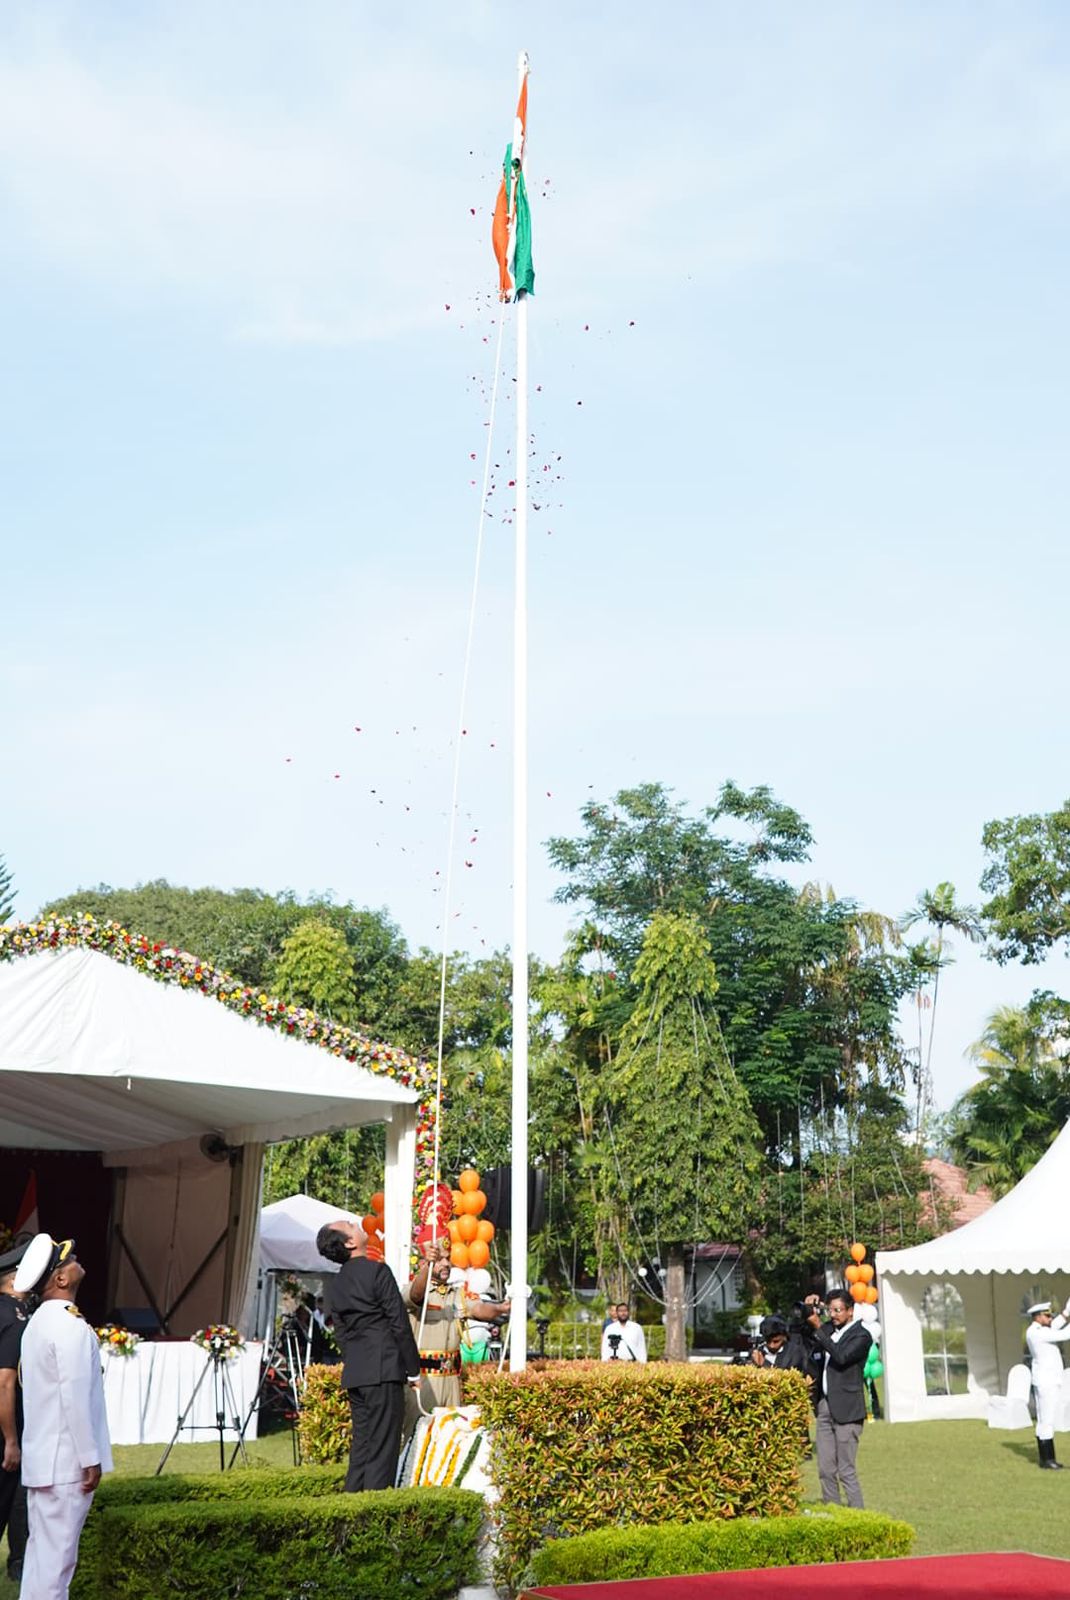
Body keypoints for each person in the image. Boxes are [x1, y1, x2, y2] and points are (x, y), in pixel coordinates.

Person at [13, 1234, 112, 1600]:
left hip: (45, 1460)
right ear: (61, 1280)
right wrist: (90, 1458)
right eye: (67, 1260)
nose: (76, 1260)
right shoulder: (69, 1326)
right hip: (65, 1464)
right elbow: (74, 1398)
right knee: (56, 1571)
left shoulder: (38, 1323)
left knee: (41, 1564)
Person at [316, 1219, 422, 1492]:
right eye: (350, 1226)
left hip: (357, 1374)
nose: (355, 1223)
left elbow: (341, 1335)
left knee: (362, 1449)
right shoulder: (378, 1272)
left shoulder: (336, 1284)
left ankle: (351, 1511)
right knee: (383, 1451)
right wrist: (413, 1369)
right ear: (350, 1243)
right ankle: (373, 1519)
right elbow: (399, 1323)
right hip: (383, 1369)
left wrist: (356, 1364)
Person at [404, 1239, 511, 1415]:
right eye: (439, 1260)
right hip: (425, 1380)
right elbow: (415, 1295)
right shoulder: (414, 1290)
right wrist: (427, 1269)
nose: (446, 1264)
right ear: (424, 1263)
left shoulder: (457, 1295)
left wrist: (501, 1308)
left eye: (447, 1259)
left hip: (452, 1379)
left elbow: (479, 1308)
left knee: (451, 1435)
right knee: (420, 1435)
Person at [806, 1290, 876, 1509]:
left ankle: (859, 1517)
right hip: (825, 1405)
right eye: (830, 1310)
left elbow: (841, 1356)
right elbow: (801, 1335)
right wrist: (808, 1311)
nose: (833, 1315)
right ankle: (833, 1513)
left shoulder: (861, 1335)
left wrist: (819, 1327)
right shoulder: (828, 1330)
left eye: (838, 1310)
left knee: (846, 1470)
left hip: (848, 1410)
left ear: (851, 1311)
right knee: (826, 1469)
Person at [0, 1243, 30, 1585]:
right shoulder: (14, 1319)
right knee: (12, 1498)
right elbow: (5, 1382)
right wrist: (11, 1439)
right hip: (8, 1426)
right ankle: (18, 1562)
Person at [1025, 1298, 1070, 1470]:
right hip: (1046, 1381)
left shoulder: (1040, 1329)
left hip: (1048, 1379)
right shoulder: (1037, 1332)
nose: (1051, 1319)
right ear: (1038, 1317)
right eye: (1047, 1316)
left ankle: (1048, 1458)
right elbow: (1065, 1334)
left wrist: (1066, 1312)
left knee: (1046, 1418)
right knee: (1046, 1419)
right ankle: (1047, 1460)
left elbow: (1058, 1324)